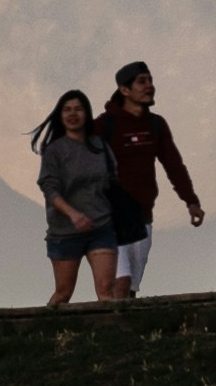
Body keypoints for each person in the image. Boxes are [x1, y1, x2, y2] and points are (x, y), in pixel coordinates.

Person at [100, 59, 205, 297]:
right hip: (109, 217)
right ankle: (112, 329)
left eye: (150, 80)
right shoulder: (105, 125)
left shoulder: (156, 125)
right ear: (125, 90)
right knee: (121, 281)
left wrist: (191, 201)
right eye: (142, 81)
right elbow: (79, 155)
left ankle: (122, 331)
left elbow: (173, 164)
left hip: (142, 217)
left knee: (131, 288)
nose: (149, 86)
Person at [34, 87, 122, 306]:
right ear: (61, 115)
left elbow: (114, 181)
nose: (73, 114)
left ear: (87, 113)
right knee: (63, 294)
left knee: (106, 292)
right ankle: (46, 333)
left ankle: (109, 336)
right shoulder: (54, 151)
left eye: (78, 109)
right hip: (64, 232)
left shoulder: (100, 146)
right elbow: (49, 188)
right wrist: (73, 214)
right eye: (67, 110)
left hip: (101, 227)